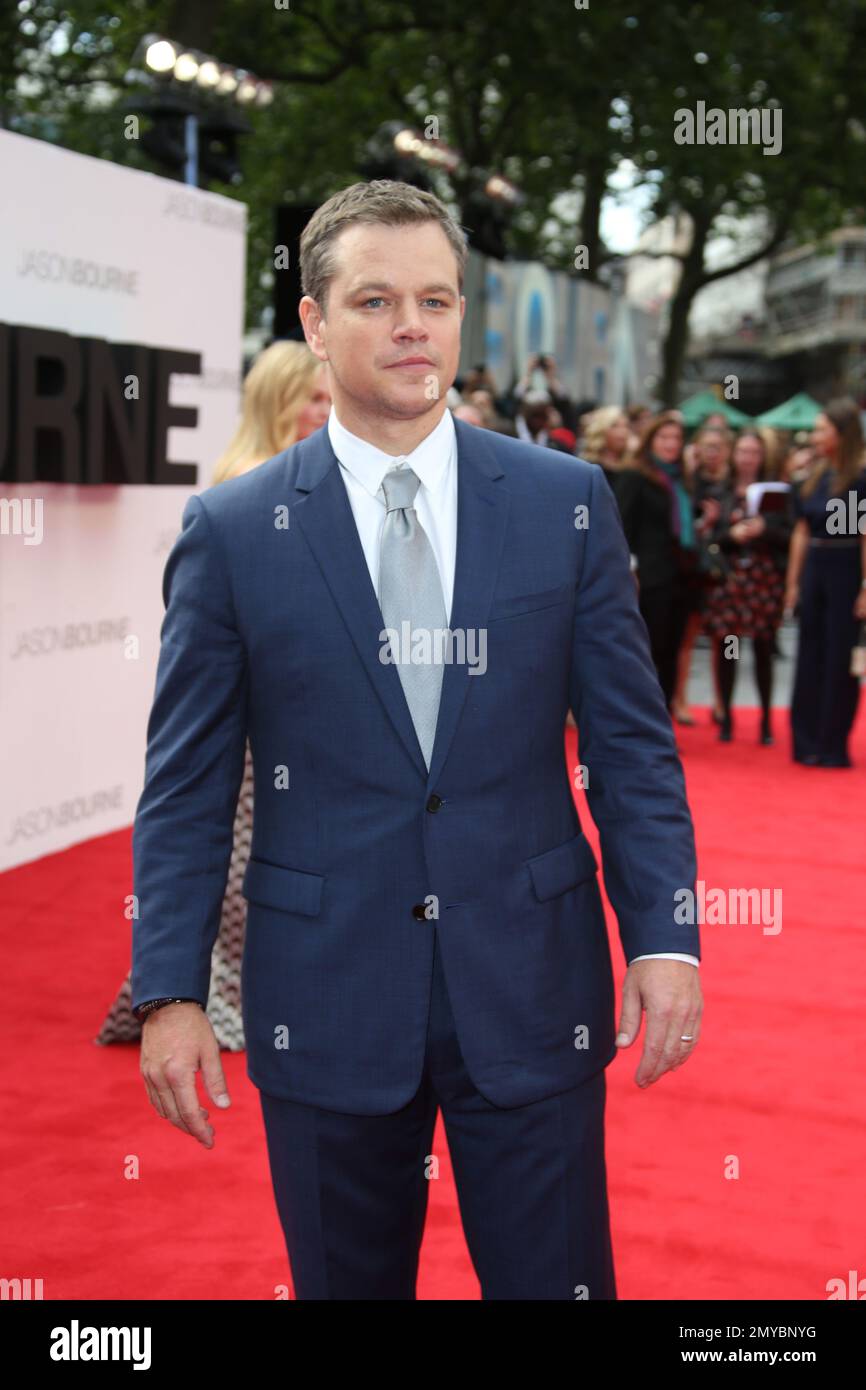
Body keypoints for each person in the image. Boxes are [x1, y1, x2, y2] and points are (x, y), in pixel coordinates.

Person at [131, 179, 701, 1302]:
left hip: (531, 979)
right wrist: (169, 989)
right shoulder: (235, 532)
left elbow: (630, 748)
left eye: (434, 301)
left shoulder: (564, 503)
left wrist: (666, 935)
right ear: (312, 321)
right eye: (376, 300)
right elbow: (185, 785)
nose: (410, 327)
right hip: (325, 986)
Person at [97, 341, 330, 1049]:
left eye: (328, 399)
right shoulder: (249, 488)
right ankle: (220, 1000)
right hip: (258, 716)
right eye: (312, 399)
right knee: (237, 859)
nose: (323, 412)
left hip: (288, 714)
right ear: (276, 403)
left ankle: (237, 992)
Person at [786, 399, 866, 767]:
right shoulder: (815, 475)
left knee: (838, 657)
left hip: (846, 565)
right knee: (809, 654)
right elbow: (801, 531)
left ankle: (832, 743)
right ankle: (805, 741)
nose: (815, 436)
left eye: (822, 429)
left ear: (842, 433)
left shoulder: (861, 477)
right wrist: (793, 583)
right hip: (815, 566)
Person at [700, 431, 793, 744]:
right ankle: (726, 717)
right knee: (728, 648)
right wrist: (732, 535)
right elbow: (710, 539)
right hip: (730, 579)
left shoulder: (778, 494)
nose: (747, 458)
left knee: (764, 647)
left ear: (762, 456)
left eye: (753, 452)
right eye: (742, 451)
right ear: (733, 454)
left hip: (764, 578)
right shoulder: (720, 492)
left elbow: (791, 536)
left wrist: (764, 529)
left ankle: (766, 720)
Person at [614, 413, 703, 711]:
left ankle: (664, 720)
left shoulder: (682, 480)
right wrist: (631, 569)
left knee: (672, 651)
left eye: (676, 438)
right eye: (664, 437)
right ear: (651, 440)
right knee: (647, 651)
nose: (671, 444)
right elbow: (620, 526)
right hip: (649, 578)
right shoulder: (635, 475)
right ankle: (642, 721)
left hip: (682, 575)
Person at [579, 406, 630, 496]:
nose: (623, 431)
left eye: (626, 426)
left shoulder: (631, 466)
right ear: (601, 429)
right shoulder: (588, 466)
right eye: (615, 426)